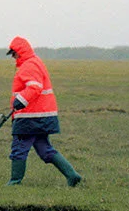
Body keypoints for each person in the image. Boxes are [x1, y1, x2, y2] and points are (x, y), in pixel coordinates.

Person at [5, 35, 81, 187]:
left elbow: (35, 87)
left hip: (30, 117)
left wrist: (20, 101)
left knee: (19, 148)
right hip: (42, 115)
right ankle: (72, 175)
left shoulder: (29, 65)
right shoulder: (35, 62)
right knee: (44, 149)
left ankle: (14, 182)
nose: (13, 57)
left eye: (13, 54)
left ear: (19, 52)